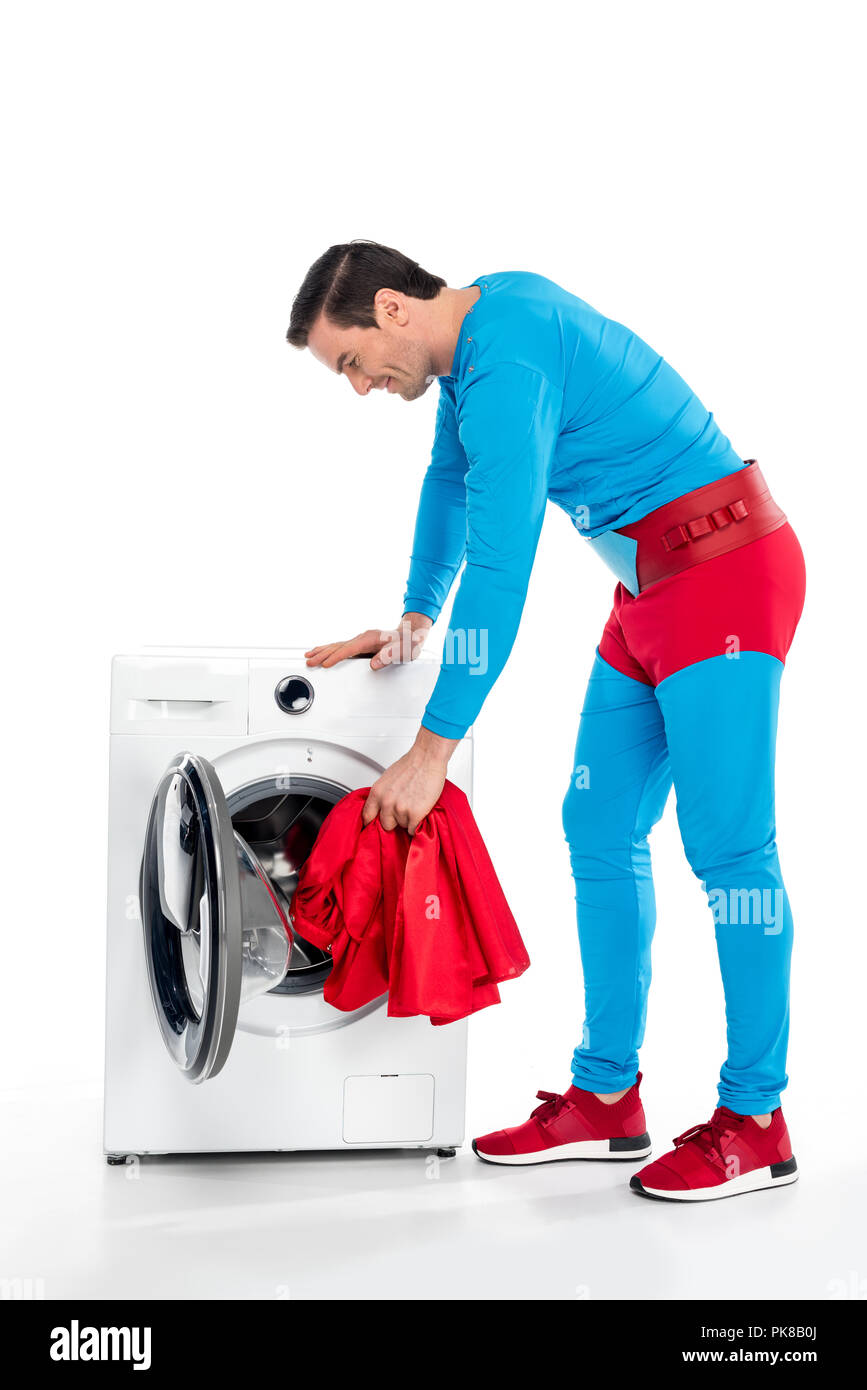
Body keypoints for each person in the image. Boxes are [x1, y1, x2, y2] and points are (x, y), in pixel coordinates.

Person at [286, 239, 806, 1202]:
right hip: (650, 595)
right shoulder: (473, 352)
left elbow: (502, 562)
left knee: (730, 852)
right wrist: (411, 617)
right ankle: (608, 1097)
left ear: (392, 308)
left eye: (351, 362)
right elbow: (451, 486)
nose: (359, 387)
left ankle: (756, 1120)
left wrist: (431, 749)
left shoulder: (509, 348)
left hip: (726, 580)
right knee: (598, 826)